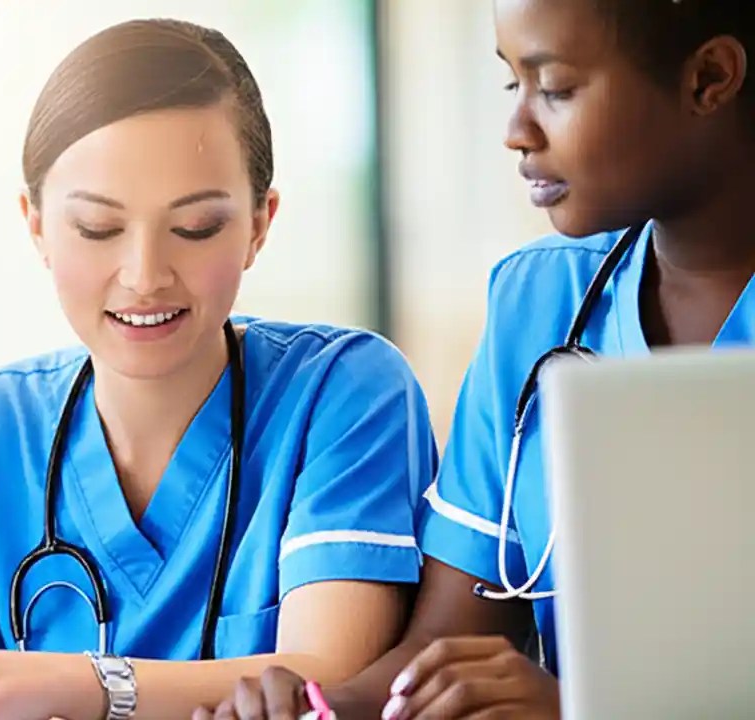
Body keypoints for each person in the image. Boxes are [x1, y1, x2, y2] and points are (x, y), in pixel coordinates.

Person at [0, 17, 439, 720]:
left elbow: (325, 680)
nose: (145, 275)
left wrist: (79, 684)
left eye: (196, 228)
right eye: (98, 229)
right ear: (35, 225)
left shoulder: (345, 393)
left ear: (259, 223)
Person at [196, 0, 755, 717]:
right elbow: (441, 651)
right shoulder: (540, 302)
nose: (516, 132)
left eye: (554, 88)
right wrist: (314, 707)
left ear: (709, 78)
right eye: (511, 85)